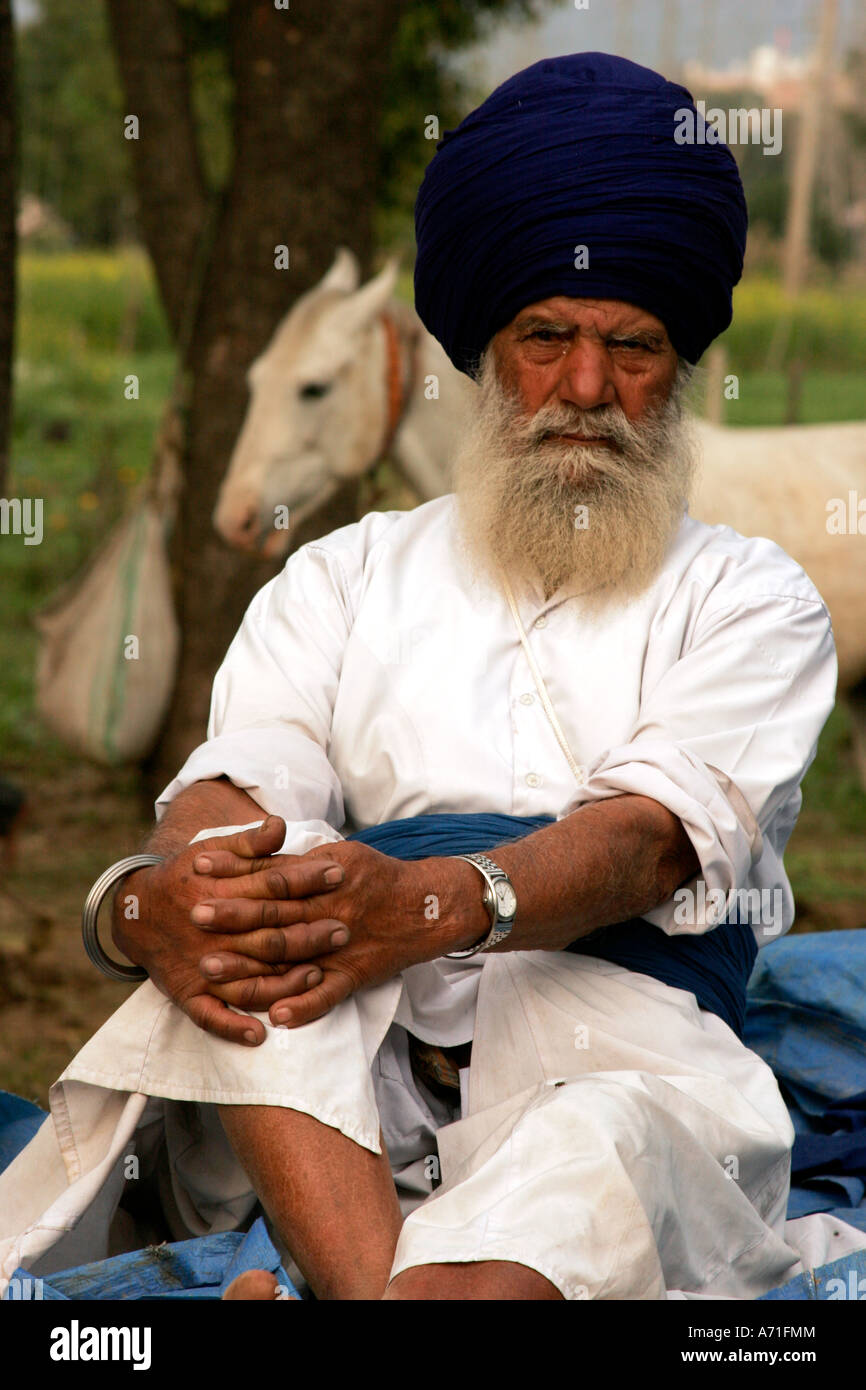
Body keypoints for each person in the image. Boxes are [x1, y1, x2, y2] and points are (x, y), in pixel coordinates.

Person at [0, 52, 837, 1302]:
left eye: (633, 346)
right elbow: (241, 778)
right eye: (544, 338)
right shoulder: (340, 577)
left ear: (681, 361)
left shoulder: (749, 597)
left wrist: (438, 901)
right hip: (325, 1078)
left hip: (616, 1054)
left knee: (590, 1146)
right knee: (261, 962)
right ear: (481, 347)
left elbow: (646, 841)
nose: (587, 390)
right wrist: (181, 891)